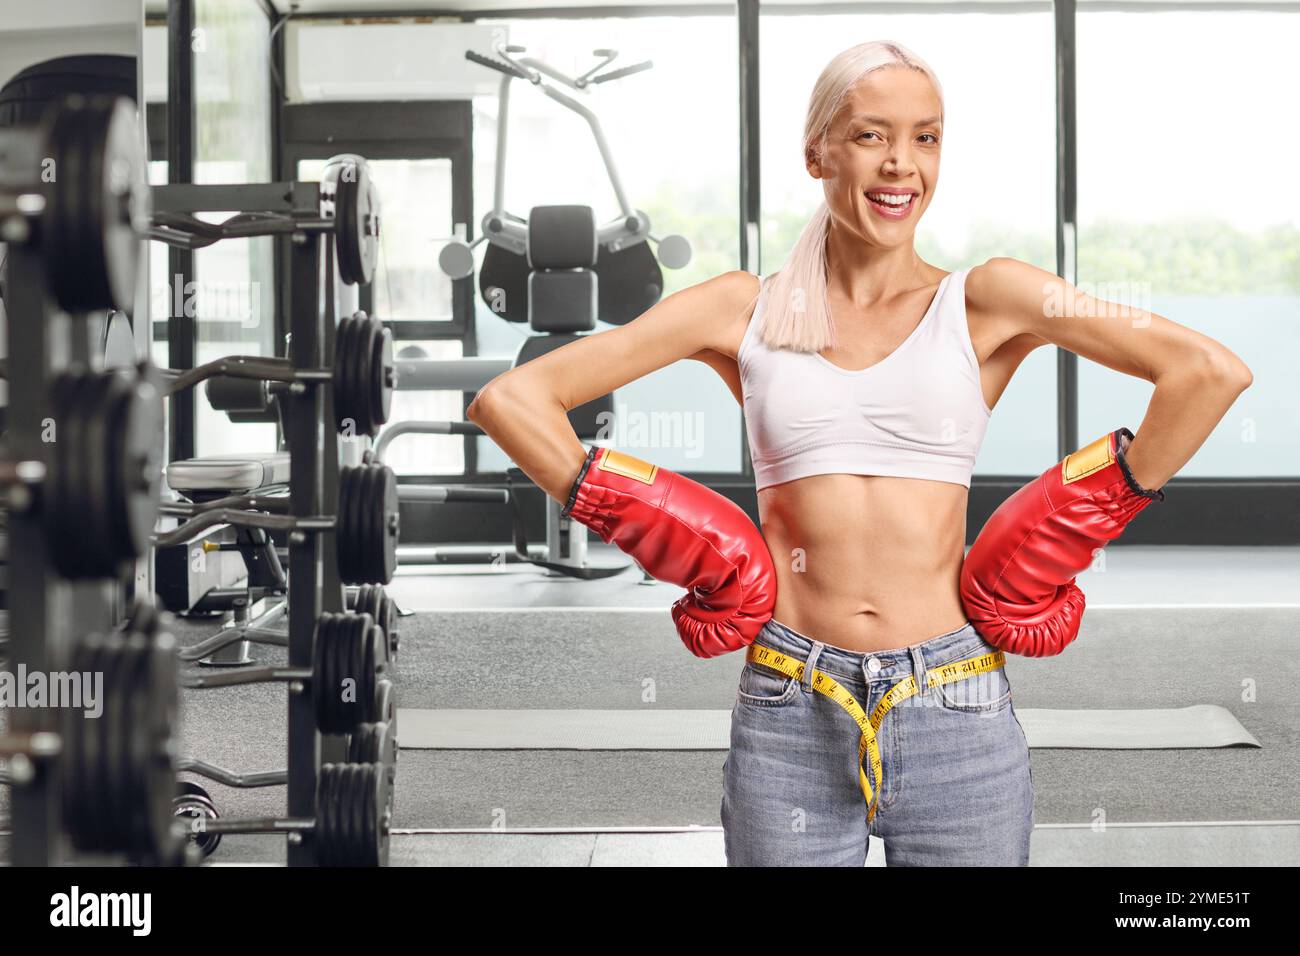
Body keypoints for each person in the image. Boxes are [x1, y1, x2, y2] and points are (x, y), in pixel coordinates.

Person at [467, 40, 1253, 866]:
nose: (901, 166)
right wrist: (644, 519)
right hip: (789, 698)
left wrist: (1088, 510)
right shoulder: (745, 309)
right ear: (818, 152)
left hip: (958, 698)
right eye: (873, 135)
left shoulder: (989, 298)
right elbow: (512, 400)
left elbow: (1205, 373)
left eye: (927, 137)